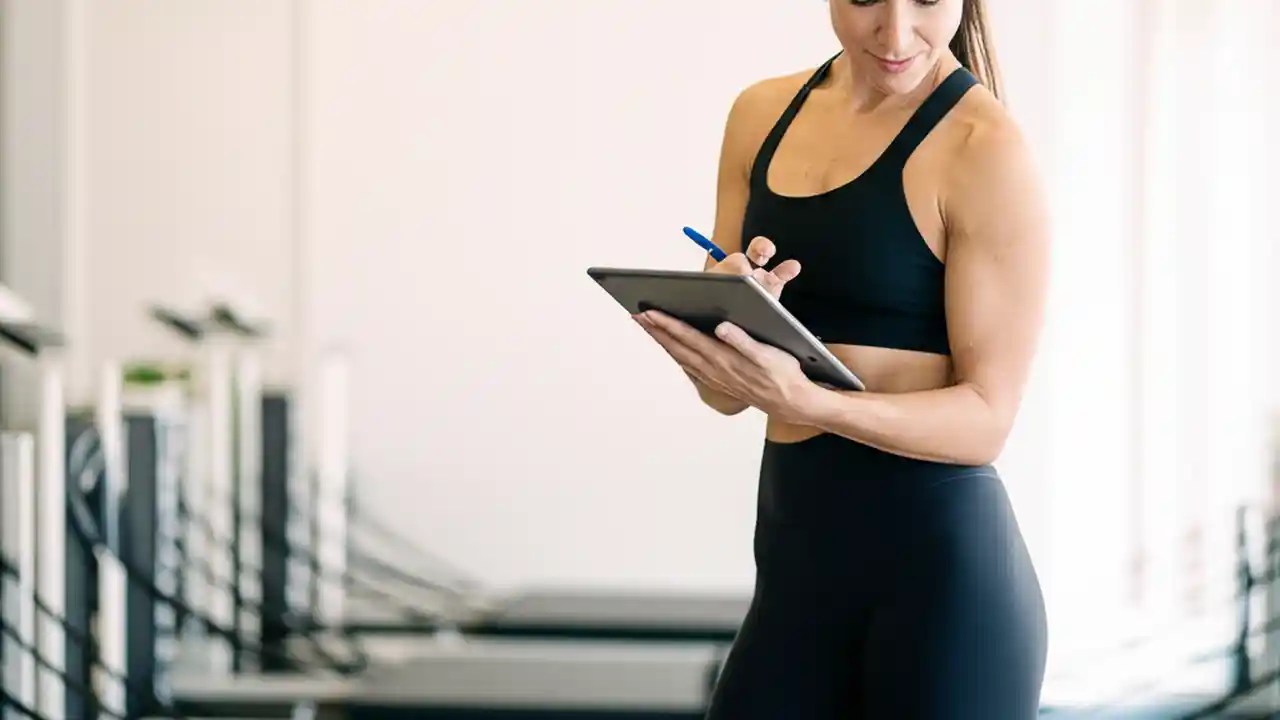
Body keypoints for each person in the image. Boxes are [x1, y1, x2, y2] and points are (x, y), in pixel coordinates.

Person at [632, 0, 1051, 717]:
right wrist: (729, 327)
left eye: (925, 1)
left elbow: (987, 420)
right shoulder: (761, 114)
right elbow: (726, 398)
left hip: (942, 592)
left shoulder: (985, 147)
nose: (894, 34)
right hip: (795, 570)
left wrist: (808, 402)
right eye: (864, 0)